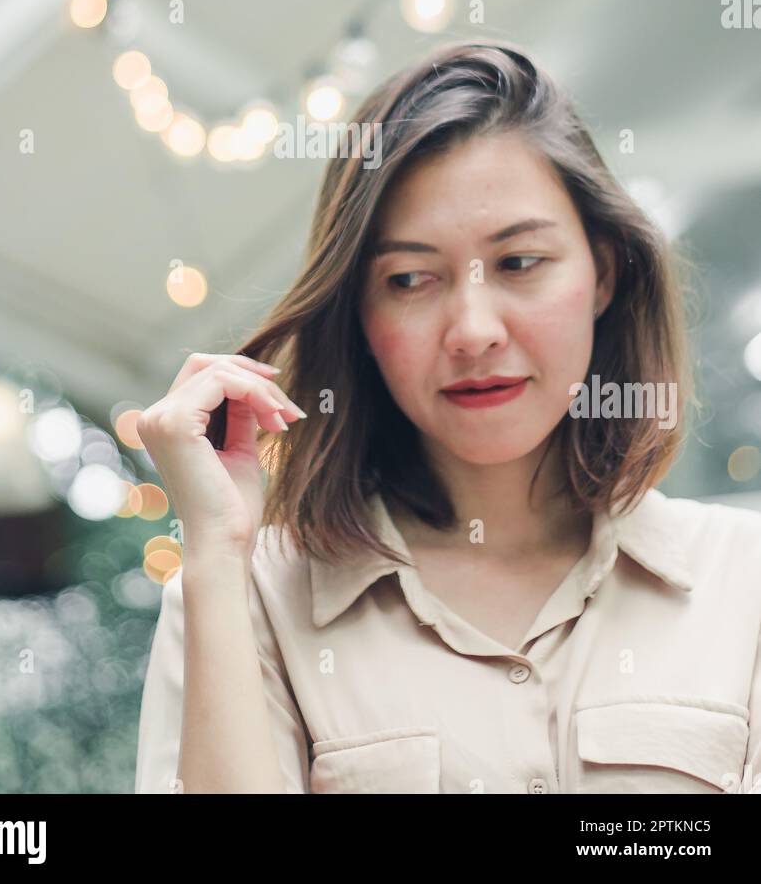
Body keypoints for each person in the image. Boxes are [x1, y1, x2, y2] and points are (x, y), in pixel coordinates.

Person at [134, 40, 761, 794]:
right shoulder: (246, 598)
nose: (473, 331)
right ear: (359, 314)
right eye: (409, 279)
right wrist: (216, 553)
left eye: (519, 263)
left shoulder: (745, 581)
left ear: (604, 272)